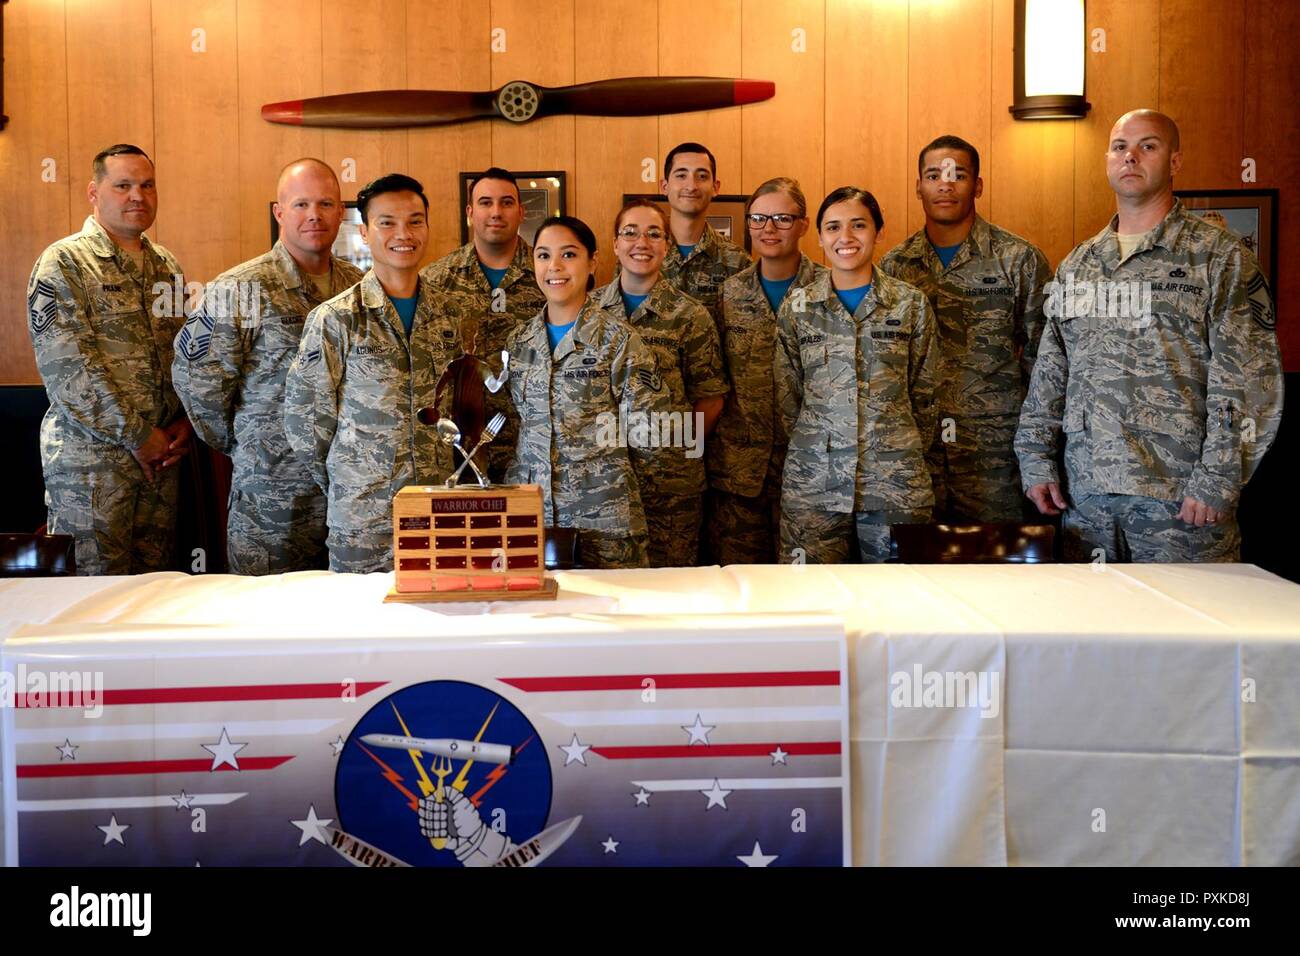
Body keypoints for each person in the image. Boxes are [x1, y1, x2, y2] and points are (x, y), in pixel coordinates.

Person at [1015, 109, 1283, 562]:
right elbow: (1050, 372)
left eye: (1148, 146)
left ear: (1174, 162)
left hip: (1182, 503)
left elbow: (1250, 380)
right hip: (1088, 500)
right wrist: (1035, 459)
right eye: (1120, 147)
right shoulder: (1079, 265)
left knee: (1190, 631)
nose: (1131, 157)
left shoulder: (1219, 258)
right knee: (1095, 630)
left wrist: (1218, 479)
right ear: (1107, 161)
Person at [172, 158, 364, 574]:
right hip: (271, 499)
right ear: (279, 212)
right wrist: (250, 445)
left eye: (326, 204)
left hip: (349, 495)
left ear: (341, 213)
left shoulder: (361, 289)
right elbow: (197, 384)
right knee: (264, 624)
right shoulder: (238, 289)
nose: (314, 215)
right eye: (300, 204)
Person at [285, 174, 463, 573]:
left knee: (443, 629)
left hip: (438, 511)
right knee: (359, 631)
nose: (404, 233)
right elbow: (305, 425)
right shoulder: (336, 319)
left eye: (415, 221)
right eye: (387, 222)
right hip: (365, 522)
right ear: (365, 232)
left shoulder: (450, 315)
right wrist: (352, 480)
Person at [27, 144, 192, 575]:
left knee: (156, 591)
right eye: (123, 185)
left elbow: (185, 355)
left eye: (147, 185)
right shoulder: (63, 263)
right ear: (94, 193)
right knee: (94, 594)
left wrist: (182, 424)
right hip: (93, 467)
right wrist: (139, 436)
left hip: (161, 460)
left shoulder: (166, 267)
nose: (137, 195)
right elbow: (69, 372)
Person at [879, 135, 1051, 523]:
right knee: (921, 567)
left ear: (978, 186)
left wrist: (1039, 449)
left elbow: (1047, 362)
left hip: (993, 453)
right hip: (918, 449)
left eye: (958, 174)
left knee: (996, 568)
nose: (945, 183)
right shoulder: (894, 267)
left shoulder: (1018, 259)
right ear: (918, 187)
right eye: (933, 175)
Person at [774, 187, 939, 563]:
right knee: (810, 603)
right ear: (819, 237)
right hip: (813, 484)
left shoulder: (910, 304)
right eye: (832, 227)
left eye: (858, 225)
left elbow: (927, 394)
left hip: (895, 483)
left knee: (899, 605)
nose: (845, 238)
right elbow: (786, 398)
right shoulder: (798, 308)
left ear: (879, 232)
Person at [503, 215, 666, 569]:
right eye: (543, 256)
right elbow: (512, 430)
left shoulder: (618, 340)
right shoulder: (519, 342)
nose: (554, 267)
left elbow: (649, 440)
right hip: (533, 518)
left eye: (569, 255)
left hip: (605, 521)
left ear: (592, 262)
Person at [590, 199, 729, 567]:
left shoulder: (690, 315)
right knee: (613, 586)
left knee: (673, 584)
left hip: (671, 486)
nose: (642, 242)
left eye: (654, 234)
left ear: (666, 246)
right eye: (630, 233)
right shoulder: (587, 312)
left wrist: (680, 449)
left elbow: (710, 397)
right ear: (616, 244)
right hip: (602, 482)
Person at [708, 177, 827, 564]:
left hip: (813, 467)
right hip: (741, 473)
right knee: (739, 588)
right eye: (758, 218)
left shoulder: (830, 288)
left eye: (781, 218)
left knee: (805, 588)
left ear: (804, 225)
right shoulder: (729, 293)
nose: (769, 228)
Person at [421, 167, 546, 478]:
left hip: (534, 443)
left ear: (521, 211)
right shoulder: (437, 280)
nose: (496, 212)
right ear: (470, 211)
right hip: (460, 447)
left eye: (506, 203)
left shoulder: (549, 274)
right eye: (485, 202)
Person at [657, 142, 751, 330]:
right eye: (681, 175)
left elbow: (742, 337)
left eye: (701, 176)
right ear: (664, 186)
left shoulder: (738, 261)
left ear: (715, 187)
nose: (691, 186)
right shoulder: (640, 254)